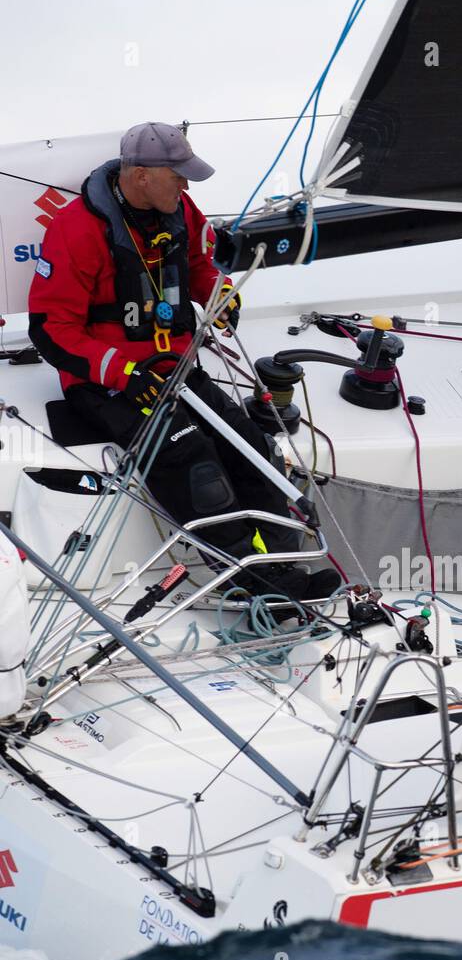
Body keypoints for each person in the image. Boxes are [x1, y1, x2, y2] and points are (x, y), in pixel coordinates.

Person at [28, 120, 340, 601]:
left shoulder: (180, 210)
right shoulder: (75, 231)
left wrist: (222, 296)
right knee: (191, 459)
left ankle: (284, 566)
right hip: (109, 382)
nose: (187, 185)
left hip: (176, 367)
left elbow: (201, 267)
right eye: (178, 175)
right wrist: (123, 373)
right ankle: (253, 586)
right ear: (141, 176)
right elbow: (50, 330)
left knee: (254, 447)